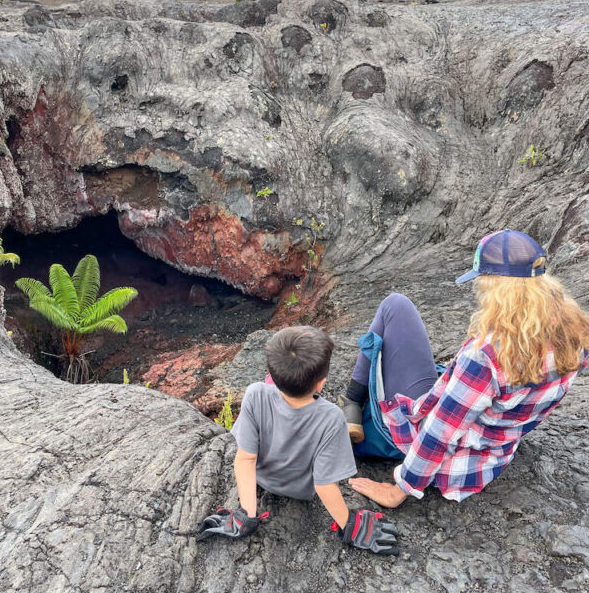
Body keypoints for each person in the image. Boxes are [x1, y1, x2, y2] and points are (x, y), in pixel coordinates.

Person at [340, 229, 589, 507]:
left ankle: (352, 403)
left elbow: (439, 431)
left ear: (498, 288)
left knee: (395, 305)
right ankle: (353, 404)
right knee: (400, 313)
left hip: (441, 457)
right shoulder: (576, 334)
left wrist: (399, 490)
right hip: (494, 452)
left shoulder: (487, 354)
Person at [197, 325, 399, 554]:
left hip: (262, 479)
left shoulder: (255, 394)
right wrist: (349, 525)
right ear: (321, 382)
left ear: (271, 373)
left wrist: (247, 515)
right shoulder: (331, 417)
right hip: (300, 491)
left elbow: (246, 458)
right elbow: (324, 484)